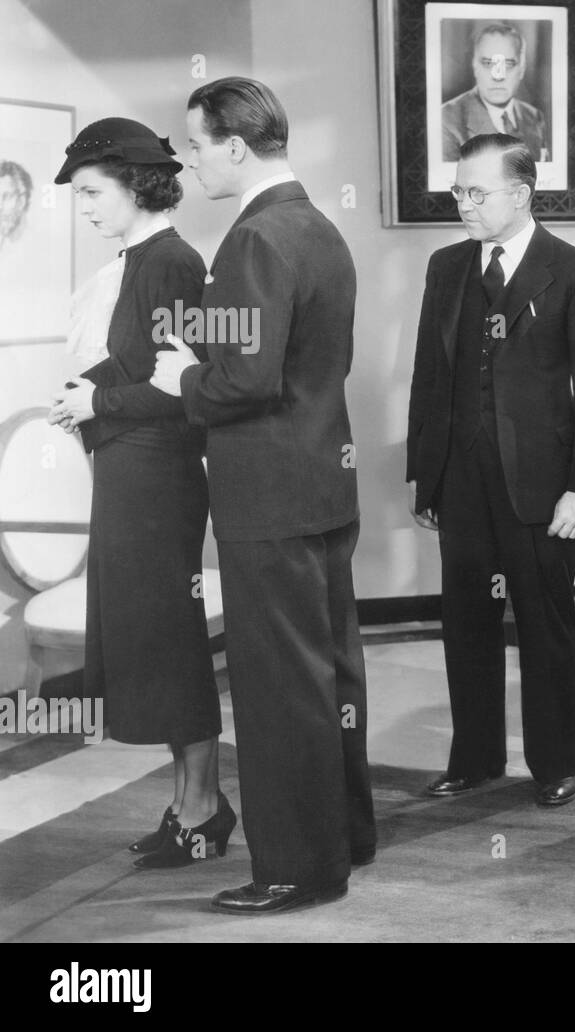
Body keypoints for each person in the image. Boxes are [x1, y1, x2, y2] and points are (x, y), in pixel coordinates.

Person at [151, 77, 375, 914]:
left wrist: (183, 379)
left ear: (237, 147)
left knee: (279, 690)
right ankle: (346, 837)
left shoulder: (252, 241)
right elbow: (304, 360)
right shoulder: (320, 230)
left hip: (266, 496)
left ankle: (296, 870)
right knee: (333, 676)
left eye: (199, 144)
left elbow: (245, 377)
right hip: (322, 482)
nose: (192, 159)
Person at [407, 132, 575, 807]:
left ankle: (557, 765)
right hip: (461, 482)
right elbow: (428, 378)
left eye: (476, 192)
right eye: (458, 191)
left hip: (544, 486)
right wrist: (426, 476)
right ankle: (474, 759)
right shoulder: (446, 268)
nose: (461, 203)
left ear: (521, 194)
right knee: (465, 623)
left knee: (544, 625)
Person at [47, 117, 232, 868]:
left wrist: (97, 404)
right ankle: (190, 804)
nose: (84, 207)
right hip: (130, 476)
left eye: (93, 192)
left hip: (158, 479)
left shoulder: (173, 263)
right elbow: (134, 364)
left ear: (135, 185)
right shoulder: (139, 260)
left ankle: (204, 806)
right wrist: (86, 393)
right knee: (155, 643)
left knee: (170, 643)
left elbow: (189, 387)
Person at [441, 23, 548, 162]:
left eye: (508, 64)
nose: (498, 76)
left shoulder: (535, 117)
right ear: (475, 67)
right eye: (488, 63)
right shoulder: (445, 120)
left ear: (522, 68)